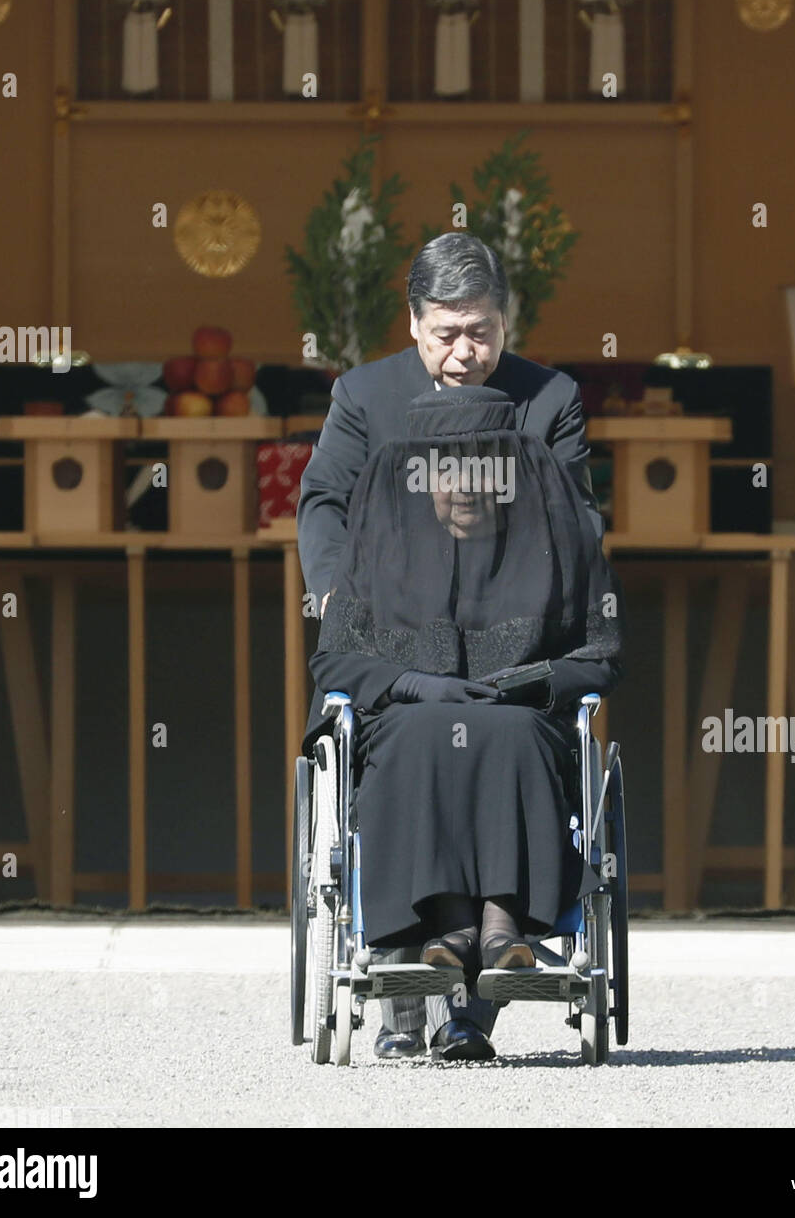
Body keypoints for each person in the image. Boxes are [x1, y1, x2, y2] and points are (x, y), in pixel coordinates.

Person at [296, 232, 606, 1061]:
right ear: (413, 323)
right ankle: (411, 1004)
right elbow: (326, 502)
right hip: (397, 625)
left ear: (507, 321)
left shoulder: (548, 398)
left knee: (506, 732)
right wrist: (339, 598)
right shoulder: (368, 397)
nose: (466, 352)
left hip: (513, 630)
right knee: (415, 733)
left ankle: (474, 1009)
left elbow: (571, 522)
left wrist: (551, 607)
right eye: (447, 333)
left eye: (482, 330)